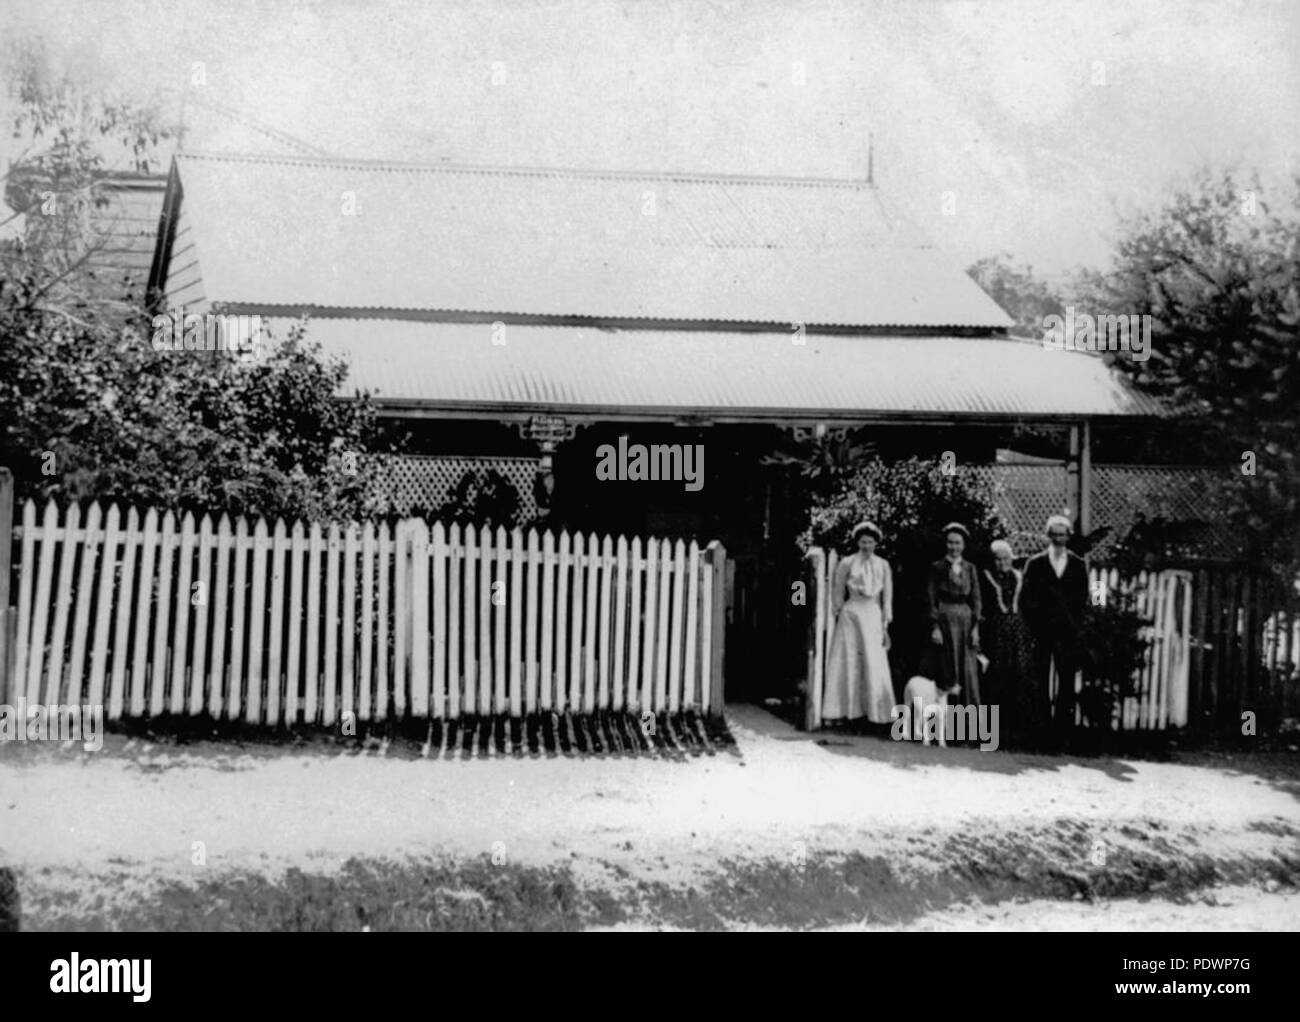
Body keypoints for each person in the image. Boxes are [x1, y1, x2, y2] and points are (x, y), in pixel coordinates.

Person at [1020, 514, 1089, 743]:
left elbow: (1090, 598)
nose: (1059, 539)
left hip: (1068, 633)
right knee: (1039, 680)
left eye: (1063, 535)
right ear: (1048, 536)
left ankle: (1062, 733)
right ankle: (1041, 732)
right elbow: (1024, 599)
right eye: (1055, 534)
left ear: (1069, 537)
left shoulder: (1079, 565)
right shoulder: (1035, 563)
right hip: (1042, 632)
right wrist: (1034, 624)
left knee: (1066, 682)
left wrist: (1081, 623)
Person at [822, 521, 895, 727]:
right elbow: (837, 592)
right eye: (863, 542)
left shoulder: (883, 565)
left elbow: (886, 596)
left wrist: (885, 624)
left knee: (873, 660)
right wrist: (838, 611)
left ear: (876, 543)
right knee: (849, 660)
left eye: (870, 542)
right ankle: (842, 711)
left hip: (872, 613)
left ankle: (875, 713)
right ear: (857, 542)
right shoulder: (847, 563)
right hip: (851, 614)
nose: (866, 546)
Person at [981, 539, 1042, 747]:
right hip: (995, 633)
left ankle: (1018, 735)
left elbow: (1028, 604)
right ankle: (993, 734)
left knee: (1020, 679)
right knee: (996, 679)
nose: (1001, 563)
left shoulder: (1020, 577)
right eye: (997, 559)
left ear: (1012, 558)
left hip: (1017, 635)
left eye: (1005, 558)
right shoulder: (986, 577)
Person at [927, 523, 983, 708]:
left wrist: (975, 628)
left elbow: (976, 599)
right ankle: (947, 724)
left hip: (966, 621)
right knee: (947, 667)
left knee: (967, 670)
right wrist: (935, 627)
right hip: (945, 619)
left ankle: (968, 725)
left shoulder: (970, 568)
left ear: (964, 545)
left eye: (958, 543)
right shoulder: (937, 567)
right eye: (950, 543)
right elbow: (931, 598)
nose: (954, 547)